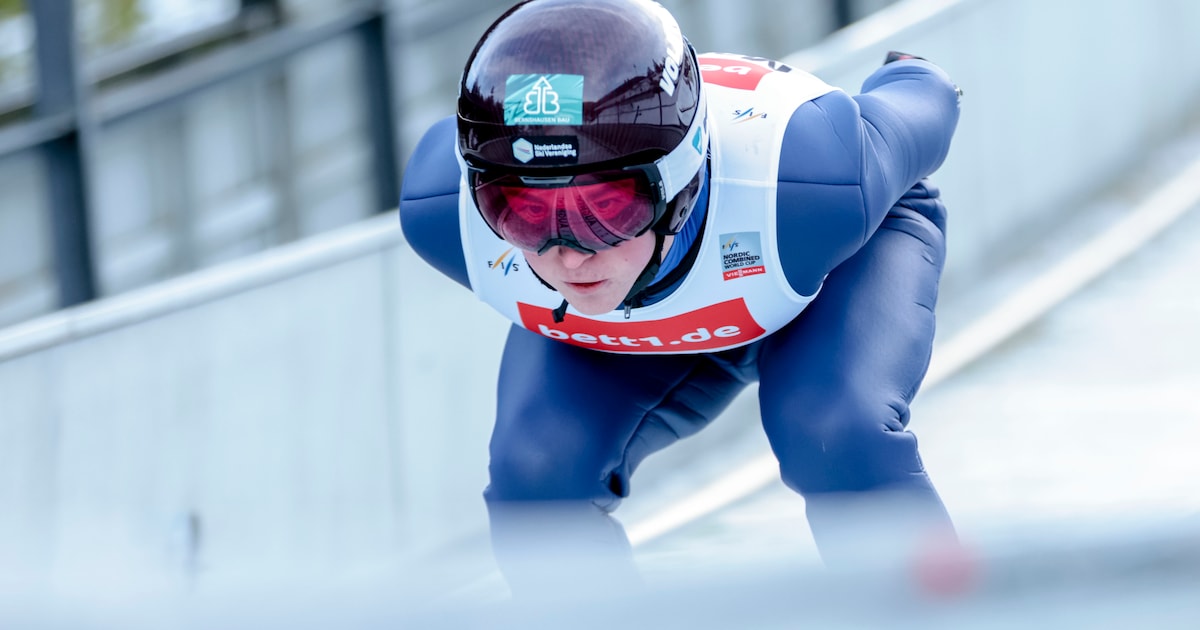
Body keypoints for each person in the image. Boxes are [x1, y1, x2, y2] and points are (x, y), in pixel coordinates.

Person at [399, 0, 962, 598]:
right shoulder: (443, 214)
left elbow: (927, 99)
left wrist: (908, 71)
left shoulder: (812, 177)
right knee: (536, 476)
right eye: (524, 213)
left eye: (607, 210)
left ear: (680, 182)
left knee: (834, 428)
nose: (568, 255)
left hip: (826, 267)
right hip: (661, 306)